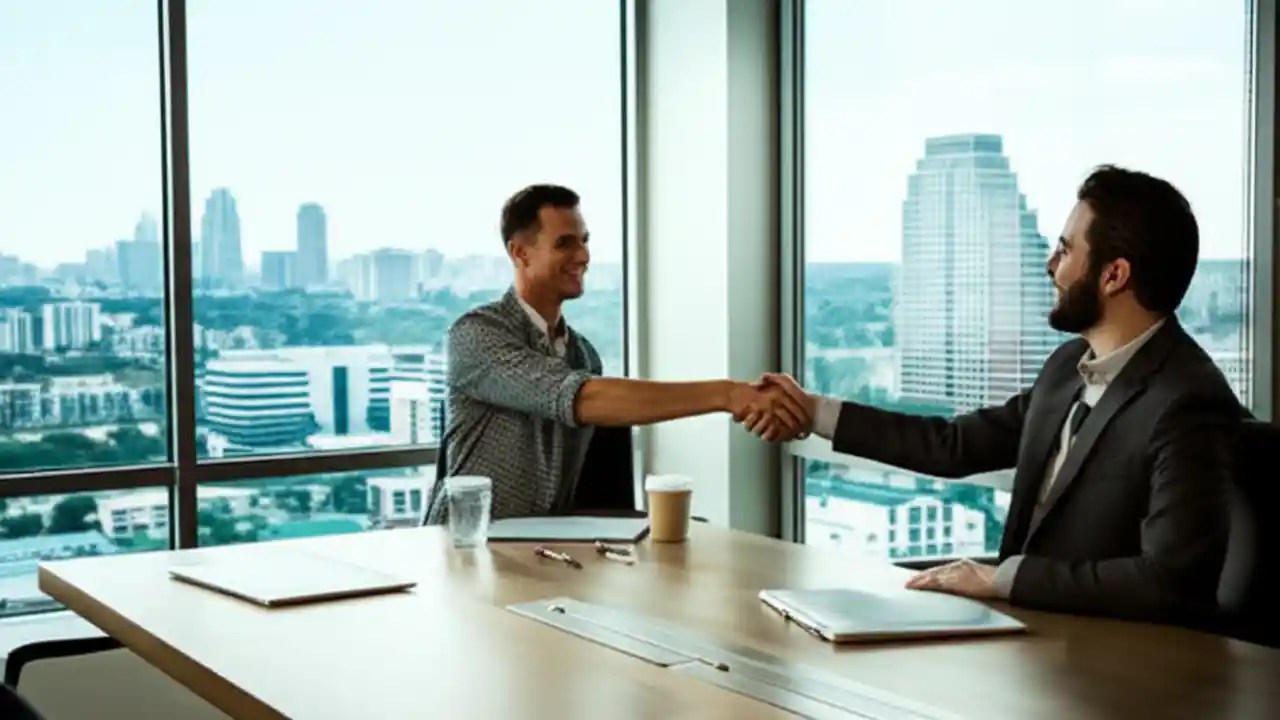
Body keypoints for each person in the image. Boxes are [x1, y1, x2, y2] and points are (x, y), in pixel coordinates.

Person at [750, 165, 1246, 625]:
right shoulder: (1066, 368)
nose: (1051, 266)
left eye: (1065, 250)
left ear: (1114, 275)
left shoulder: (1187, 402)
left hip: (1119, 667)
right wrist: (814, 411)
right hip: (1031, 642)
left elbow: (1170, 581)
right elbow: (953, 445)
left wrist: (1000, 579)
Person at [424, 184, 808, 524]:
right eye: (565, 243)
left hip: (541, 552)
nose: (583, 256)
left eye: (585, 240)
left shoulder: (583, 355)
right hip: (463, 547)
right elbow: (580, 398)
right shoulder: (476, 335)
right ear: (520, 253)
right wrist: (729, 394)